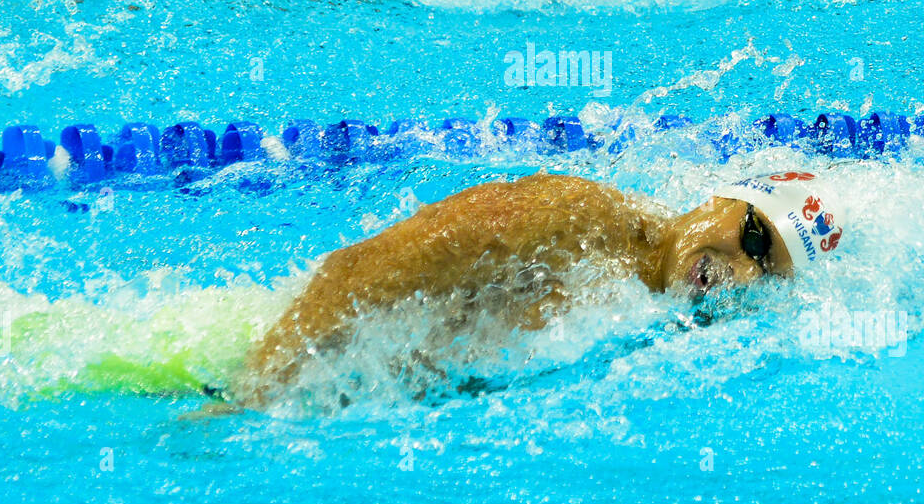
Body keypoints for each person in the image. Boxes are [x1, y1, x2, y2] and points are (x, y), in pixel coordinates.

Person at [235, 170, 845, 407]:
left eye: (764, 274)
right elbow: (351, 277)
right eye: (756, 240)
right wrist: (244, 402)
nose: (740, 272)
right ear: (719, 198)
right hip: (261, 361)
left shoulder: (663, 315)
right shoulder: (571, 220)